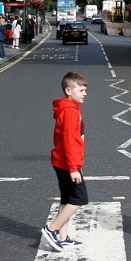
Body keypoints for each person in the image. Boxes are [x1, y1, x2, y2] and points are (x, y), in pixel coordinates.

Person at [41, 72, 90, 251]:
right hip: (67, 164)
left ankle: (62, 237)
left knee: (66, 199)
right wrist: (73, 168)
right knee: (78, 199)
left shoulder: (70, 108)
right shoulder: (69, 111)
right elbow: (69, 141)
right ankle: (51, 229)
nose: (85, 93)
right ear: (68, 90)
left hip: (63, 161)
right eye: (81, 90)